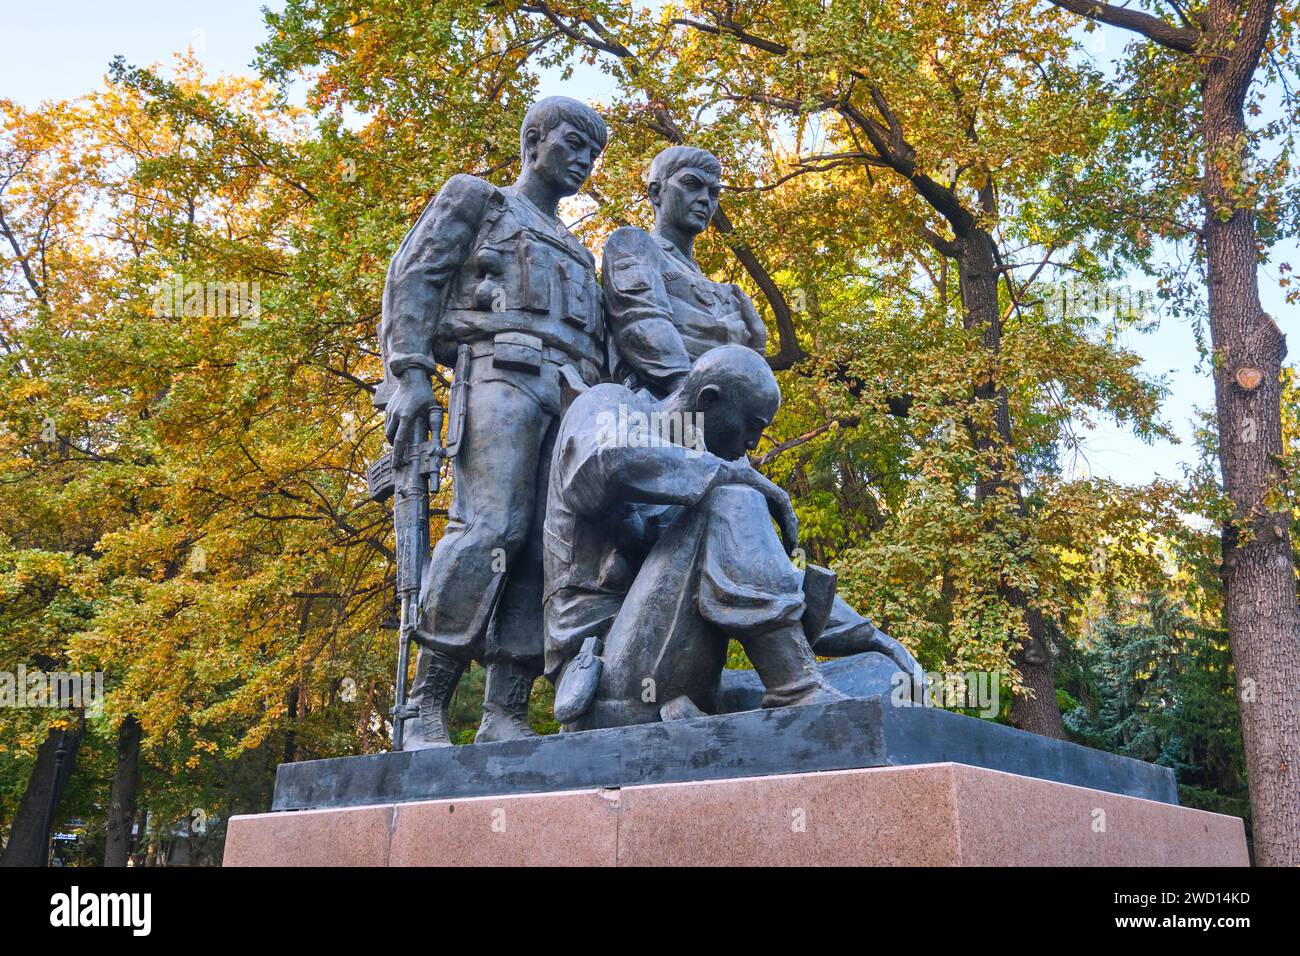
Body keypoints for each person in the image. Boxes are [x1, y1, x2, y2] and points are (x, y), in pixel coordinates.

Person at [378, 96, 607, 748]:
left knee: (547, 548)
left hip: (571, 398)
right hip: (500, 376)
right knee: (491, 528)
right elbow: (415, 275)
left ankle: (505, 710)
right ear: (534, 141)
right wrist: (411, 372)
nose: (584, 161)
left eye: (593, 153)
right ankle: (425, 703)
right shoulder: (478, 200)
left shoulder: (576, 248)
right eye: (573, 144)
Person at [544, 345, 910, 730]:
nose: (753, 443)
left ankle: (794, 687)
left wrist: (877, 639)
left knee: (878, 677)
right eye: (753, 425)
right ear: (708, 400)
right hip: (607, 680)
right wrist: (727, 475)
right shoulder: (609, 405)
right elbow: (603, 462)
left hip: (679, 677)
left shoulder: (708, 475)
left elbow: (773, 579)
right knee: (730, 496)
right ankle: (797, 690)